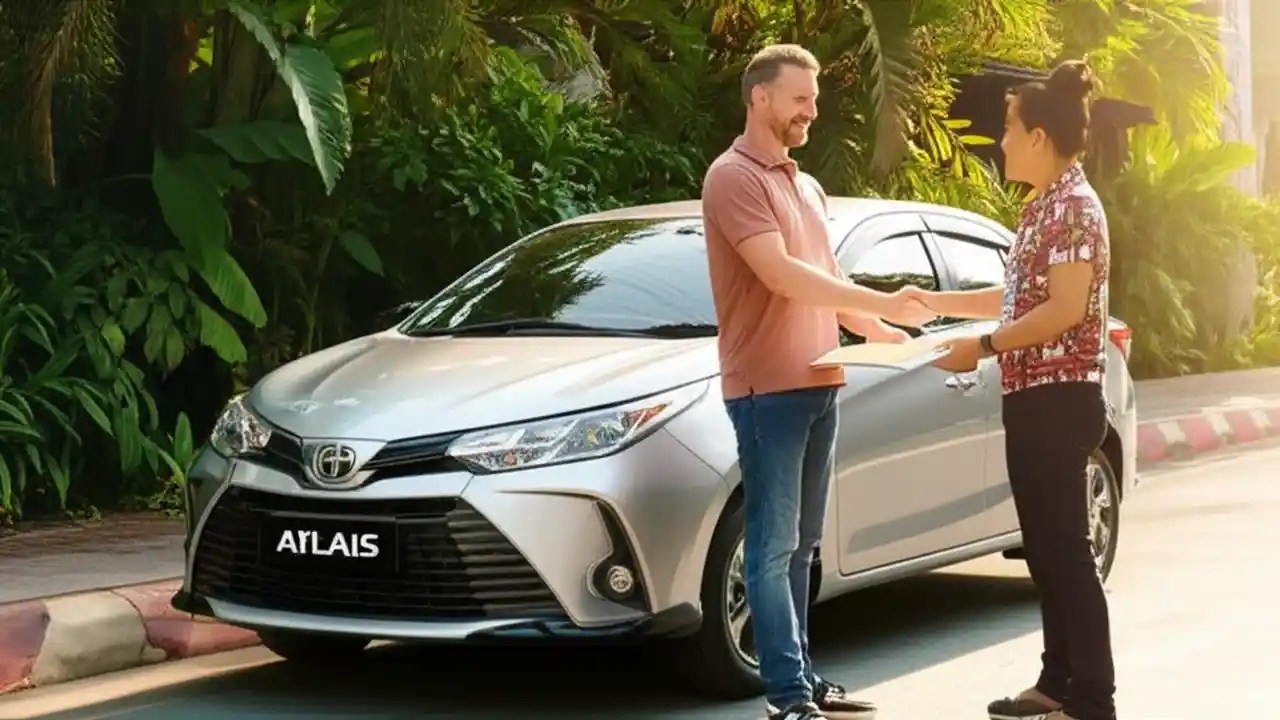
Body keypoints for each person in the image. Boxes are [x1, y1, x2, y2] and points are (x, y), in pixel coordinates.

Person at [700, 44, 935, 720]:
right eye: (800, 98)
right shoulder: (733, 177)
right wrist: (884, 300)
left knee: (803, 547)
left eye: (814, 100)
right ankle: (789, 698)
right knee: (771, 549)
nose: (812, 111)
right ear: (760, 98)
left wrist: (875, 328)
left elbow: (820, 277)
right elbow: (779, 274)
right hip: (766, 392)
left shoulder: (804, 184)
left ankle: (804, 676)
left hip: (821, 383)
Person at [912, 60, 1116, 720]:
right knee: (1047, 552)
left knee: (1066, 553)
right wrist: (931, 302)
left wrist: (984, 348)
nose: (1000, 143)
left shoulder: (1076, 210)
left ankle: (1091, 696)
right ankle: (1057, 683)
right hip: (1033, 398)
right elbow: (1014, 297)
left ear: (1037, 136)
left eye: (1007, 130)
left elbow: (1062, 308)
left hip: (1060, 400)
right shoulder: (1043, 208)